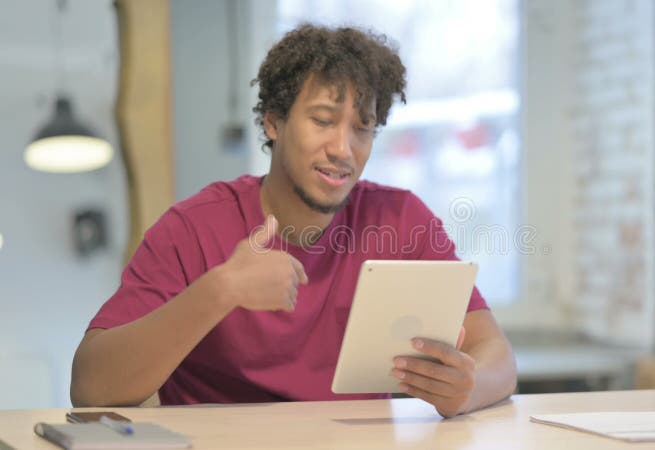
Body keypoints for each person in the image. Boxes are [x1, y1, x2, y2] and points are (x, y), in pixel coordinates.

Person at [70, 24, 516, 418]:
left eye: (363, 127)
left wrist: (468, 386)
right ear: (273, 124)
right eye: (323, 120)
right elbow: (90, 387)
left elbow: (497, 355)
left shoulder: (399, 219)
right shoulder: (193, 227)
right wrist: (221, 290)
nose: (343, 148)